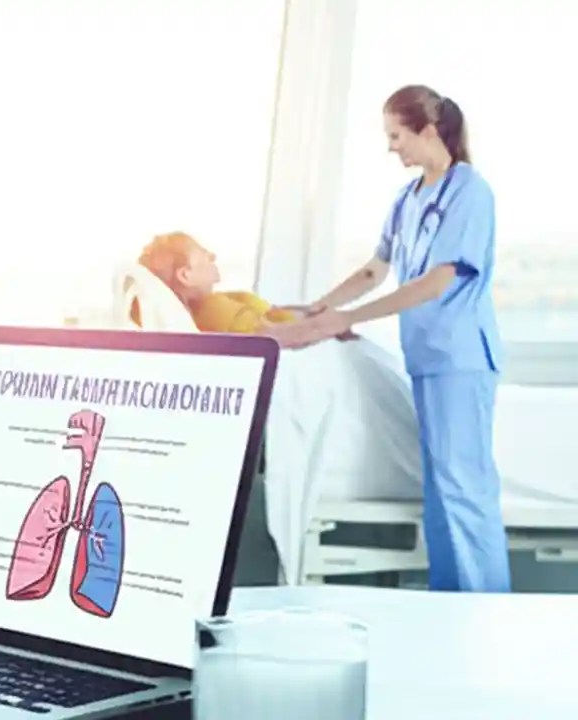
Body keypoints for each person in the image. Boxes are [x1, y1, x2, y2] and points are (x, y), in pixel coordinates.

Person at [271, 84, 510, 594]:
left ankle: (487, 606)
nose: (390, 147)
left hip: (461, 357)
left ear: (428, 131)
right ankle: (452, 607)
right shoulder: (407, 198)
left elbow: (434, 282)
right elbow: (374, 270)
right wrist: (318, 309)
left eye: (396, 135)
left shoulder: (470, 192)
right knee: (441, 493)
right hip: (427, 357)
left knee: (464, 489)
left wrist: (347, 319)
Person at [128, 231, 303, 332]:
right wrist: (319, 326)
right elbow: (278, 335)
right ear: (186, 275)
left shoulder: (170, 321)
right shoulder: (212, 310)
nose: (213, 256)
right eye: (204, 254)